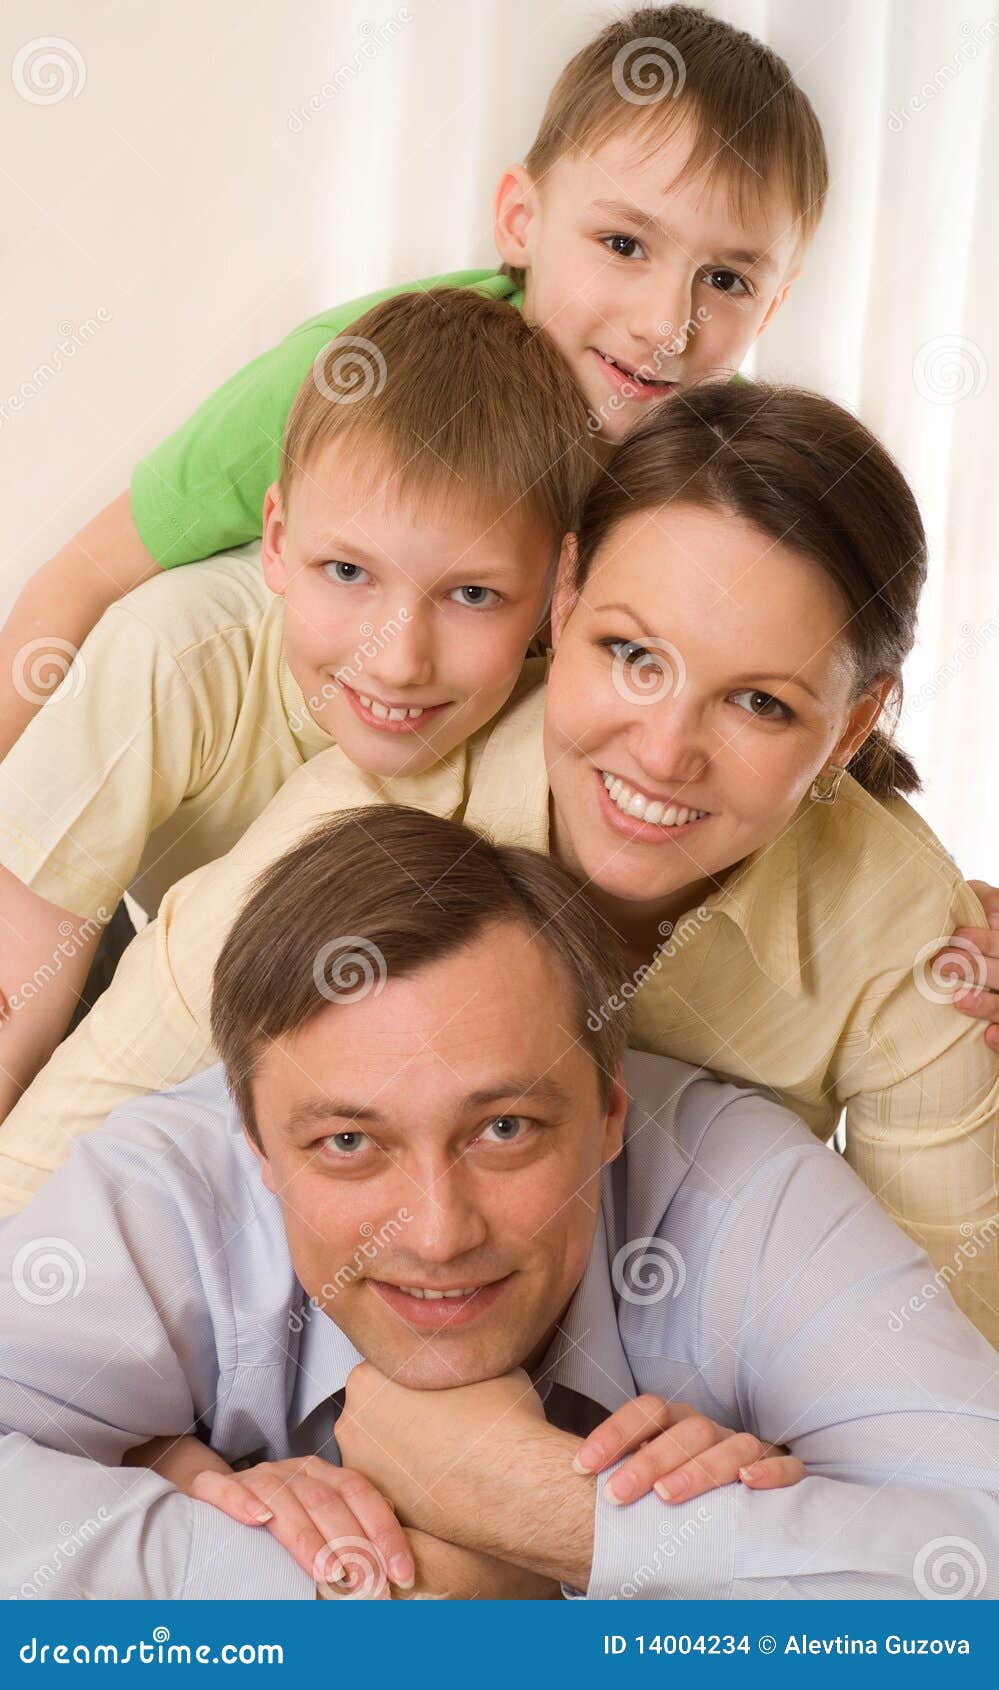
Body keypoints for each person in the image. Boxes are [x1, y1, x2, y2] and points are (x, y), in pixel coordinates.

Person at [4, 383, 996, 1349]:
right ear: (562, 602)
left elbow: (948, 1363)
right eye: (632, 654)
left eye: (761, 705)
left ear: (852, 726)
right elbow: (46, 1173)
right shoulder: (373, 812)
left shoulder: (913, 938)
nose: (663, 753)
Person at [1, 807, 996, 1602]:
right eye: (350, 1143)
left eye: (506, 1130)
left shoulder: (744, 1189)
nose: (437, 1234)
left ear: (609, 1115)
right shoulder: (170, 1184)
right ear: (256, 1146)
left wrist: (559, 1520)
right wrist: (418, 1587)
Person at [0, 285, 593, 1117]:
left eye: (470, 594)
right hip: (125, 964)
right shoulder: (172, 656)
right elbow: (19, 982)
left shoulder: (559, 743)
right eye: (347, 573)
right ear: (278, 540)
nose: (397, 662)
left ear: (553, 594)